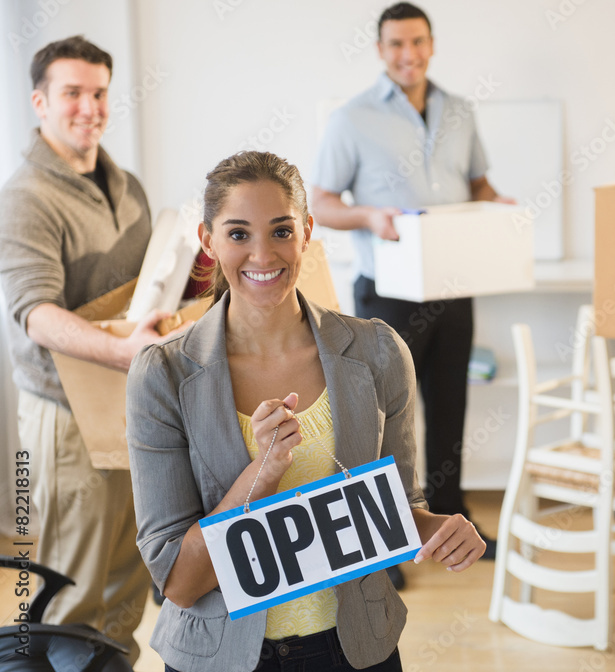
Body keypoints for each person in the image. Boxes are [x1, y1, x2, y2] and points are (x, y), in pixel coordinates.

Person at [126, 151, 486, 672]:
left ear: (307, 232)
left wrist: (437, 530)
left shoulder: (378, 352)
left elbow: (397, 510)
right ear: (208, 241)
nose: (262, 255)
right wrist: (263, 472)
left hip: (355, 648)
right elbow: (180, 581)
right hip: (222, 657)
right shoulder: (163, 375)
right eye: (238, 234)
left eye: (280, 231)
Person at [311, 2, 510, 575]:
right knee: (381, 417)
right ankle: (384, 541)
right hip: (389, 291)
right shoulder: (351, 118)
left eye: (418, 42)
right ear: (380, 50)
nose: (408, 54)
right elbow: (322, 203)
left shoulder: (461, 111)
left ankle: (451, 518)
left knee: (451, 404)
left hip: (456, 283)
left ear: (432, 44)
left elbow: (478, 184)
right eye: (396, 44)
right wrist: (371, 217)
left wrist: (501, 209)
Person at [0, 35, 173, 662]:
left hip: (129, 401)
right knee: (71, 585)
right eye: (72, 92)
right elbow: (37, 316)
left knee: (129, 563)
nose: (89, 107)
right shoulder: (27, 197)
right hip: (65, 412)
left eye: (98, 92)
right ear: (40, 101)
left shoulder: (125, 186)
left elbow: (148, 283)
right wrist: (127, 351)